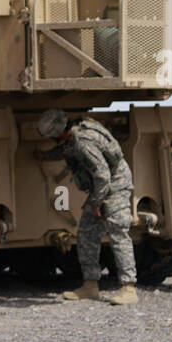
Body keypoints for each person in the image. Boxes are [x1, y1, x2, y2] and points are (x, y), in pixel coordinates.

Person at [34, 108, 138, 305]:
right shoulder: (75, 133)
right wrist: (45, 156)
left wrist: (97, 202)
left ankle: (129, 288)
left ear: (57, 133)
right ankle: (90, 287)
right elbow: (66, 151)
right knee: (87, 234)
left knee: (118, 232)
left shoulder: (83, 141)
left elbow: (102, 175)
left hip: (115, 185)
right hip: (101, 188)